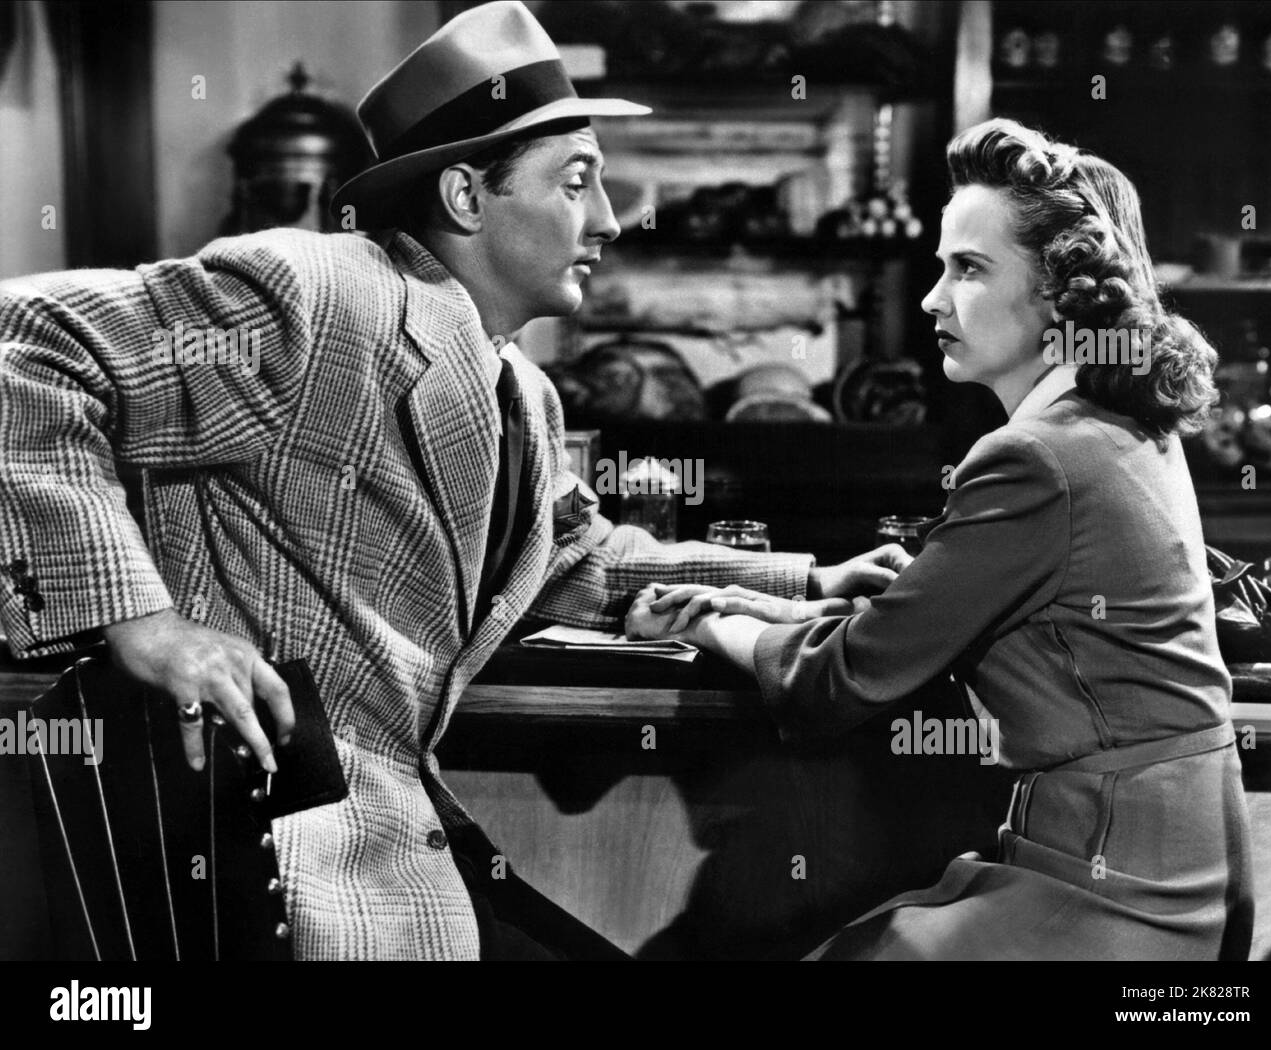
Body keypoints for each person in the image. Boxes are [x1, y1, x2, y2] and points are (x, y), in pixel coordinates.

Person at [0, 1, 896, 960]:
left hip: (404, 835)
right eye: (576, 182)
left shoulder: (520, 388)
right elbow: (29, 345)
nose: (608, 219)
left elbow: (578, 562)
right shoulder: (323, 296)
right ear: (466, 196)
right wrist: (144, 623)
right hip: (273, 860)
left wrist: (811, 581)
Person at [632, 118, 1255, 961]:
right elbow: (931, 626)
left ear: (1058, 295)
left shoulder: (1038, 454)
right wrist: (773, 602)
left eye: (968, 268)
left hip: (1120, 890)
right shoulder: (1119, 424)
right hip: (1167, 865)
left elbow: (840, 680)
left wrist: (711, 621)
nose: (933, 299)